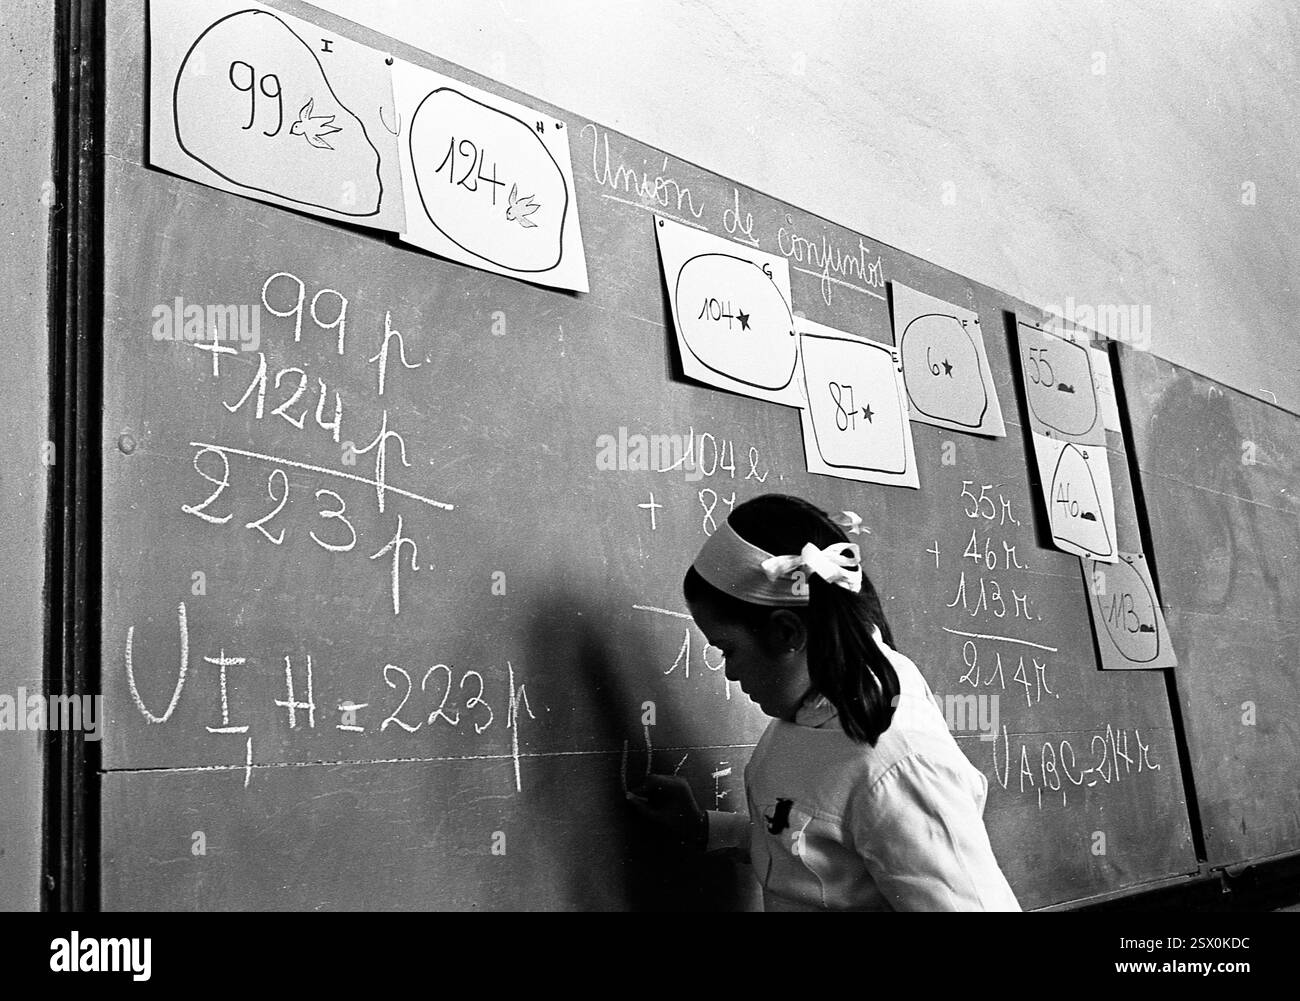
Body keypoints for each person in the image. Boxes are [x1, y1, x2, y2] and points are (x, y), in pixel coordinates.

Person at [627, 493, 1021, 911]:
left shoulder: (897, 762)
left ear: (787, 633)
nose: (729, 672)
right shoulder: (814, 703)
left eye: (727, 649)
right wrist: (703, 828)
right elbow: (818, 849)